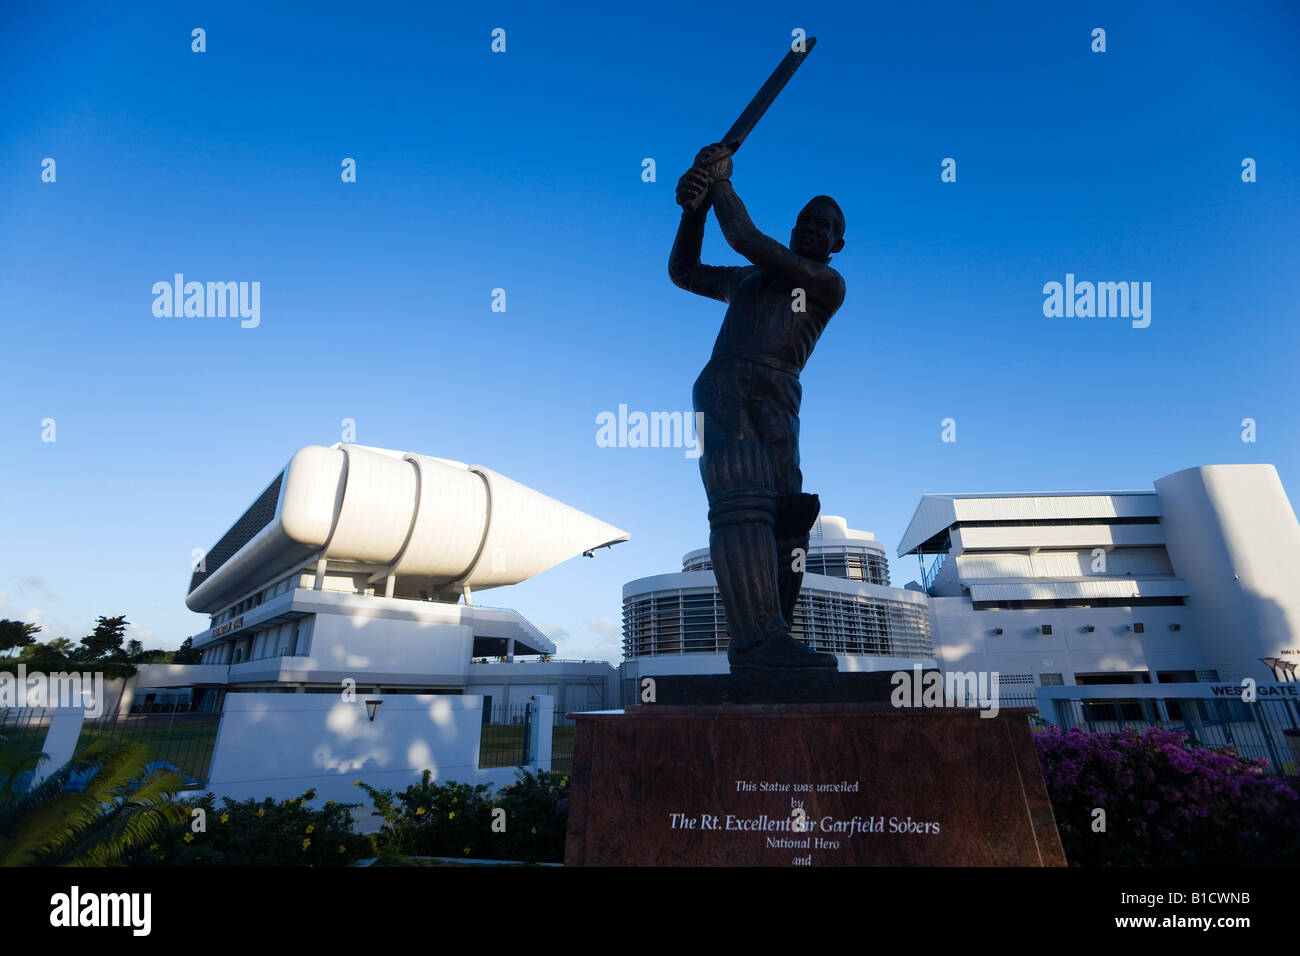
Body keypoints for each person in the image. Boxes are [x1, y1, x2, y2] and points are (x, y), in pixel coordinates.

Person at [669, 143, 846, 670]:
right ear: (794, 228)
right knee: (740, 504)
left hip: (778, 392)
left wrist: (719, 183)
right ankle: (757, 638)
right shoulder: (746, 280)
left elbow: (745, 237)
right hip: (728, 383)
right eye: (805, 221)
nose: (812, 228)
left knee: (787, 516)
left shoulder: (825, 284)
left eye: (824, 226)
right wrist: (693, 212)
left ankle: (775, 636)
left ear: (838, 243)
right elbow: (684, 270)